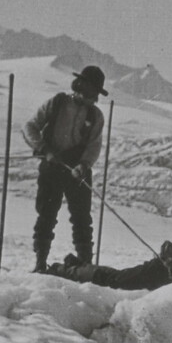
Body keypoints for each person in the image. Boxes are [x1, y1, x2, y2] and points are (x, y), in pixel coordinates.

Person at [22, 65, 108, 273]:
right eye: (91, 90)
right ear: (80, 85)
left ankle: (86, 265)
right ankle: (40, 263)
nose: (93, 97)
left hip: (78, 172)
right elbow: (29, 127)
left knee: (82, 220)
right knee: (46, 216)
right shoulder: (57, 103)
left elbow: (94, 146)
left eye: (96, 93)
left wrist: (84, 165)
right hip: (52, 167)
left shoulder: (96, 116)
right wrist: (44, 149)